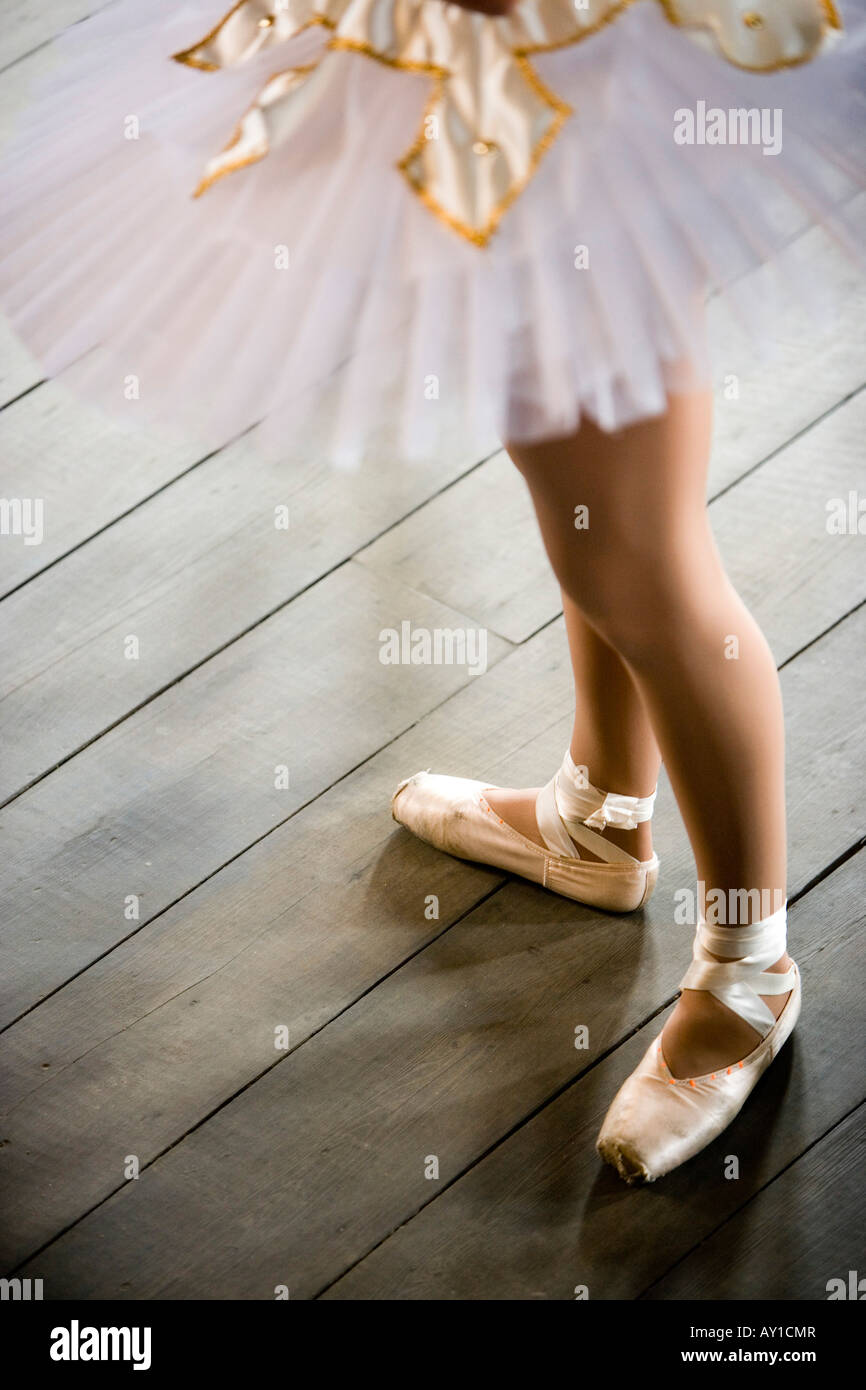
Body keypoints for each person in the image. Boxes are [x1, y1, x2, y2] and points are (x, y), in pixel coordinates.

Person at [2, 0, 864, 1182]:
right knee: (583, 489)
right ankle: (601, 812)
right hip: (529, 55)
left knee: (633, 550)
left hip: (567, 57)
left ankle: (748, 966)